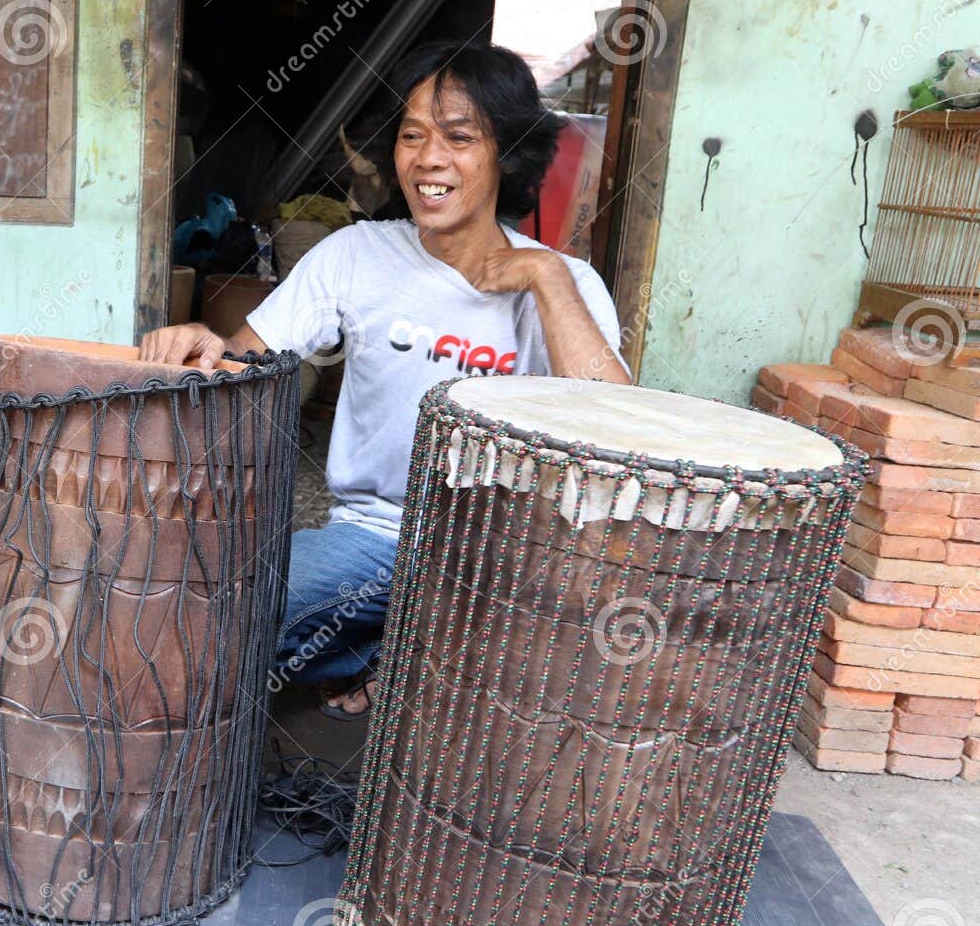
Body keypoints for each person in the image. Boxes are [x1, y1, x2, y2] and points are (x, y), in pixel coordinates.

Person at [140, 41, 630, 720]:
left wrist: (543, 278)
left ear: (508, 155)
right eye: (411, 135)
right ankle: (382, 653)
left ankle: (386, 654)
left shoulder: (565, 283)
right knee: (214, 604)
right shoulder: (356, 255)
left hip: (505, 556)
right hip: (374, 539)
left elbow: (617, 426)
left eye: (459, 138)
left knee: (248, 620)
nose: (428, 158)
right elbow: (243, 360)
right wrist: (207, 344)